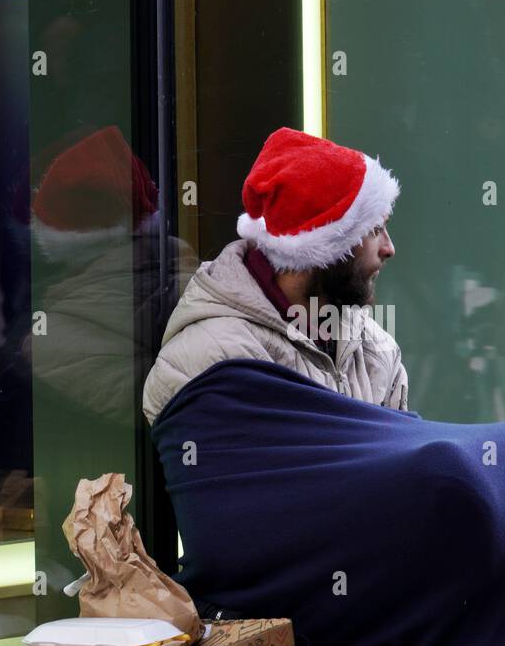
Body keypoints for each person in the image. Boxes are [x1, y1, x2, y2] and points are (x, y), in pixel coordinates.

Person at [141, 128, 409, 425]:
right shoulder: (210, 356)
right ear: (327, 245)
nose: (389, 248)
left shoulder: (374, 346)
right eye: (374, 230)